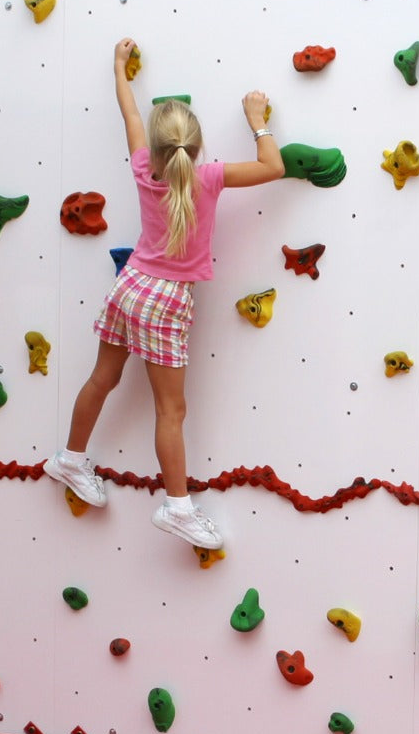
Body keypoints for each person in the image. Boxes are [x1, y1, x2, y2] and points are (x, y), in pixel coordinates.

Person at [45, 37, 285, 548]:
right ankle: (177, 508)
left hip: (129, 285)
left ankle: (68, 458)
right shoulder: (209, 177)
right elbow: (274, 166)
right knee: (171, 410)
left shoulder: (141, 167)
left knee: (102, 378)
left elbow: (129, 112)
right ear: (196, 146)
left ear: (155, 147)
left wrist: (118, 67)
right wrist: (258, 118)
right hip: (166, 299)